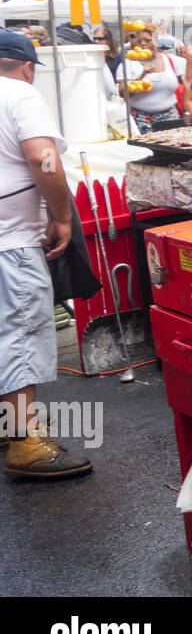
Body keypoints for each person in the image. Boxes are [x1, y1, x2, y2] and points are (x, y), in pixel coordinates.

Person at [0, 31, 91, 479]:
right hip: (9, 241)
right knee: (19, 331)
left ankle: (7, 424)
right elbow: (43, 158)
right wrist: (62, 215)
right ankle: (25, 443)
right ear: (27, 66)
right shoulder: (18, 92)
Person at [120, 24, 181, 131]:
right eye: (139, 41)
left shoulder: (171, 60)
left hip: (171, 117)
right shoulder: (128, 64)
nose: (143, 44)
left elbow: (182, 85)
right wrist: (142, 76)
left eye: (147, 40)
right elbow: (123, 93)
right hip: (141, 119)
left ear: (156, 42)